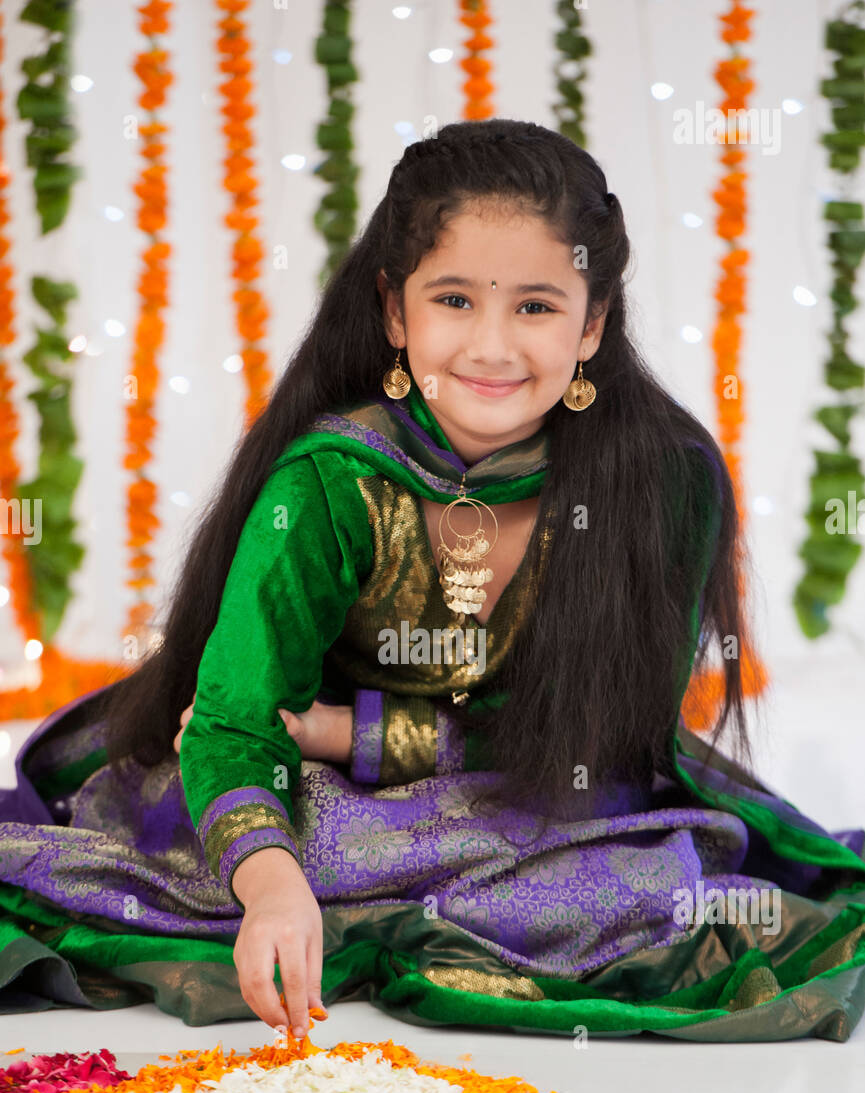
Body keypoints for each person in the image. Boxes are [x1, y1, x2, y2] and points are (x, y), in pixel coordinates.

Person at [1, 119, 863, 1044]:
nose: (491, 348)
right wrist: (275, 890)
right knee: (303, 850)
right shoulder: (330, 483)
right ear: (394, 312)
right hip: (321, 797)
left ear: (594, 321)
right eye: (454, 299)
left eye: (535, 307)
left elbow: (602, 742)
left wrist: (356, 733)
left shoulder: (663, 484)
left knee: (651, 888)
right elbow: (232, 727)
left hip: (536, 797)